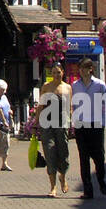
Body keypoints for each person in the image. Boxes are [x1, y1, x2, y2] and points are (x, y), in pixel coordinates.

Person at [71, 59, 106, 198]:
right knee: (83, 157)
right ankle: (88, 190)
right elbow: (73, 104)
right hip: (81, 125)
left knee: (99, 157)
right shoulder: (75, 85)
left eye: (84, 68)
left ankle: (101, 179)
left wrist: (104, 121)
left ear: (90, 69)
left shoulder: (99, 84)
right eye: (80, 68)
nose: (81, 70)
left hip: (96, 124)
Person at [34, 65, 71, 196]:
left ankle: (63, 177)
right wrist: (36, 121)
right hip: (47, 124)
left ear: (63, 73)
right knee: (50, 153)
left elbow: (69, 107)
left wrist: (71, 123)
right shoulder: (46, 86)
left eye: (58, 72)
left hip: (62, 124)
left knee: (63, 152)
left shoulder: (67, 87)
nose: (56, 75)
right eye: (54, 72)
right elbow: (41, 105)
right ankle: (53, 187)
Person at [0, 79, 14, 172]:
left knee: (6, 144)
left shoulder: (4, 97)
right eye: (3, 90)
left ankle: (4, 164)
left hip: (6, 124)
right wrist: (3, 120)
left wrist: (10, 111)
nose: (5, 92)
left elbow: (7, 107)